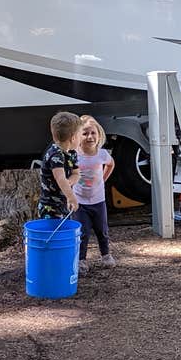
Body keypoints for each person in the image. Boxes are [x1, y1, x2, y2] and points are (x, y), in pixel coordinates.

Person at [74, 115, 116, 269]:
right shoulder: (75, 155)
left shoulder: (102, 154)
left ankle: (106, 255)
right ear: (78, 136)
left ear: (99, 135)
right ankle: (81, 260)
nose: (89, 137)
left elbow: (110, 164)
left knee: (102, 230)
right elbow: (68, 174)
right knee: (82, 232)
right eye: (85, 134)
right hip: (80, 202)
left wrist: (103, 179)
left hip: (98, 201)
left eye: (93, 133)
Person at [37, 111, 83, 227]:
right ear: (73, 138)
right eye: (80, 135)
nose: (80, 139)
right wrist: (71, 197)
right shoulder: (55, 155)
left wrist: (70, 182)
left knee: (64, 232)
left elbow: (76, 173)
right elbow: (60, 178)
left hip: (64, 203)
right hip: (50, 206)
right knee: (53, 235)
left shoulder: (72, 154)